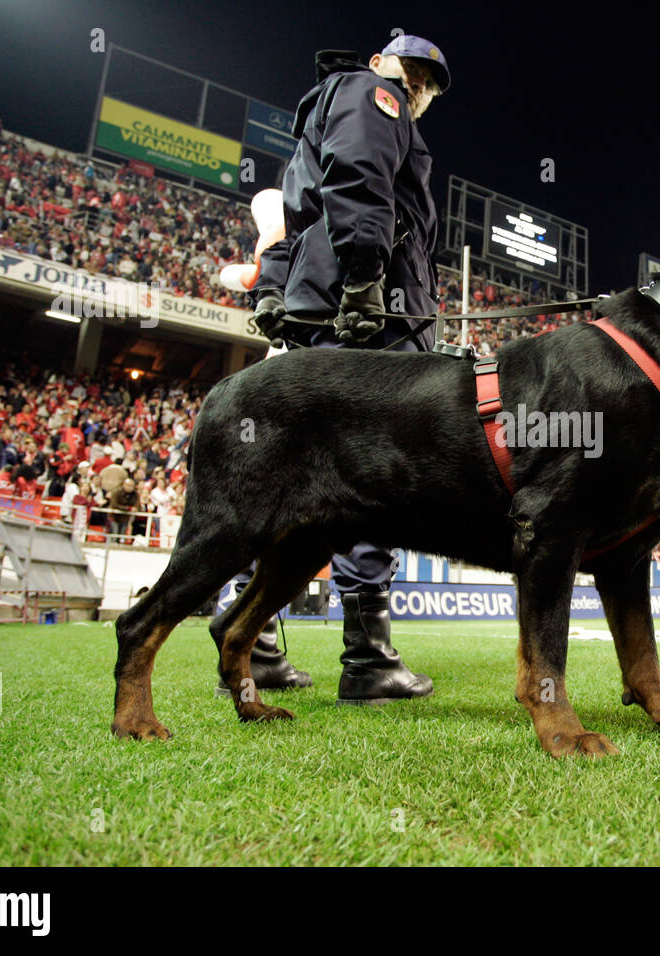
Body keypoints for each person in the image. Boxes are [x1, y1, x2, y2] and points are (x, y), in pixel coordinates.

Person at [219, 35, 451, 700]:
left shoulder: (325, 109)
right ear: (388, 66)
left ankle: (252, 643)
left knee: (298, 484)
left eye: (426, 84)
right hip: (370, 327)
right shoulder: (370, 97)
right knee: (374, 482)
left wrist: (274, 293)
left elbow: (288, 223)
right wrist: (365, 278)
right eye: (415, 76)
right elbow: (359, 175)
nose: (418, 91)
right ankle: (369, 658)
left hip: (327, 319)